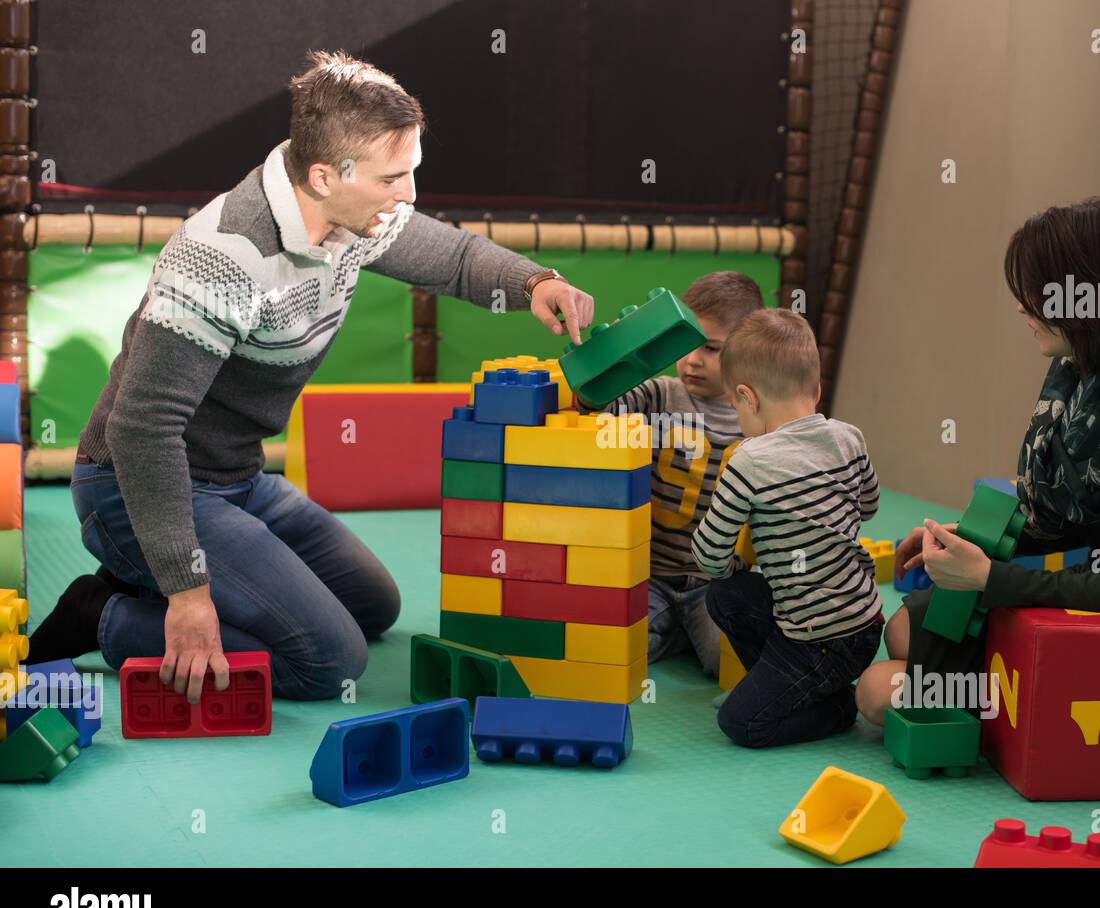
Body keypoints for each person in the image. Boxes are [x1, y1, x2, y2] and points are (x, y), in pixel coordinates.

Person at [30, 51, 596, 704]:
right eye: (394, 177)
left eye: (411, 171)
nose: (409, 193)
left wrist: (535, 281)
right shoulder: (223, 260)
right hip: (134, 487)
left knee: (372, 604)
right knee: (330, 661)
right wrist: (187, 592)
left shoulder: (355, 219)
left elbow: (455, 257)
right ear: (326, 175)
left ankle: (171, 576)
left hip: (237, 478)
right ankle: (103, 613)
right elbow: (141, 428)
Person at [856, 197, 1100, 724]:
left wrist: (990, 577)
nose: (1022, 307)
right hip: (1089, 608)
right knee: (899, 629)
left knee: (880, 691)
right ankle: (1000, 704)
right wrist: (968, 543)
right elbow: (1076, 528)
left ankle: (1015, 716)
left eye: (1041, 294)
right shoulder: (1084, 381)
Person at [691, 308, 883, 746]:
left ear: (748, 397)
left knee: (742, 725)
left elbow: (708, 555)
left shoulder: (749, 460)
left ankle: (838, 706)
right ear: (815, 389)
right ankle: (786, 685)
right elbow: (869, 506)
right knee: (729, 597)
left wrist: (733, 563)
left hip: (819, 640)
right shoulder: (849, 436)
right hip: (865, 622)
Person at [580, 272, 760, 677]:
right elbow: (594, 408)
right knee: (616, 651)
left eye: (711, 348)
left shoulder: (758, 416)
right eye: (686, 342)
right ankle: (676, 631)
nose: (693, 359)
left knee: (728, 663)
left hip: (716, 584)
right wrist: (609, 358)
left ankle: (689, 632)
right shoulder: (659, 393)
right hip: (651, 577)